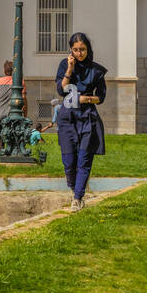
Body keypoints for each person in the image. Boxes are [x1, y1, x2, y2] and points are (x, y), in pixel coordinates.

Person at [55, 32, 107, 211]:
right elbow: (61, 91)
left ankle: (78, 198)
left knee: (84, 159)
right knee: (69, 162)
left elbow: (101, 97)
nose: (79, 53)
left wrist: (87, 99)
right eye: (75, 50)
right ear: (71, 50)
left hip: (87, 119)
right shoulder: (64, 65)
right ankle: (74, 188)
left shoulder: (97, 71)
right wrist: (69, 69)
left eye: (82, 49)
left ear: (88, 49)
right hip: (67, 118)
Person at [0, 59, 28, 159]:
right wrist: (25, 114)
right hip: (12, 116)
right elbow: (24, 99)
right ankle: (11, 158)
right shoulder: (20, 82)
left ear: (4, 71)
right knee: (13, 139)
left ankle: (0, 159)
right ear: (15, 71)